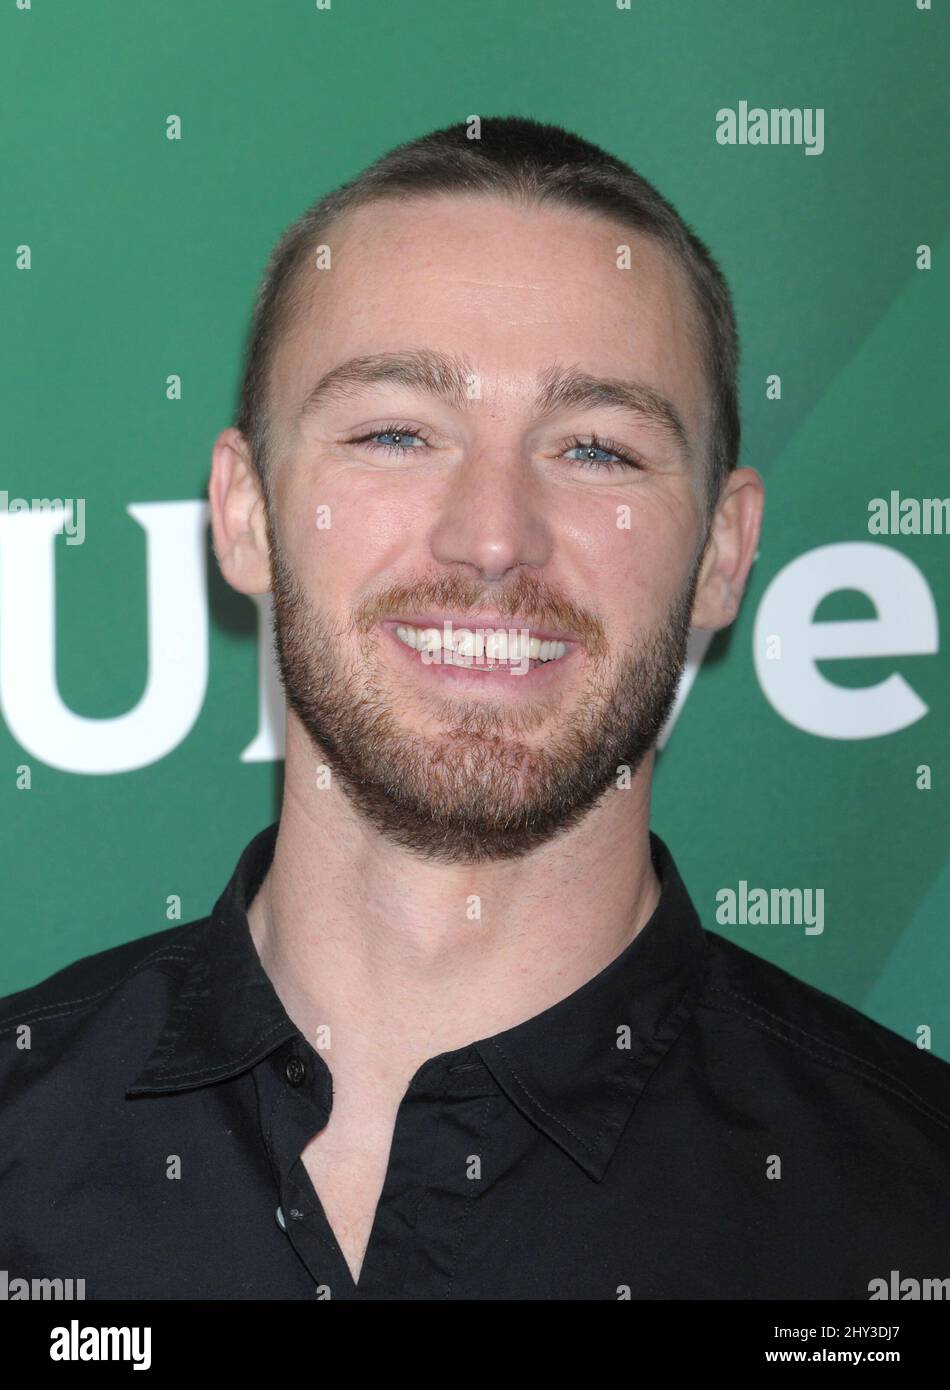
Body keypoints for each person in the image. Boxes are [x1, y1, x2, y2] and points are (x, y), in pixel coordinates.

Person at [2, 117, 947, 1302]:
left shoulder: (907, 1223)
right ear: (242, 512)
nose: (492, 535)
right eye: (395, 431)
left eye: (596, 449)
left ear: (721, 549)